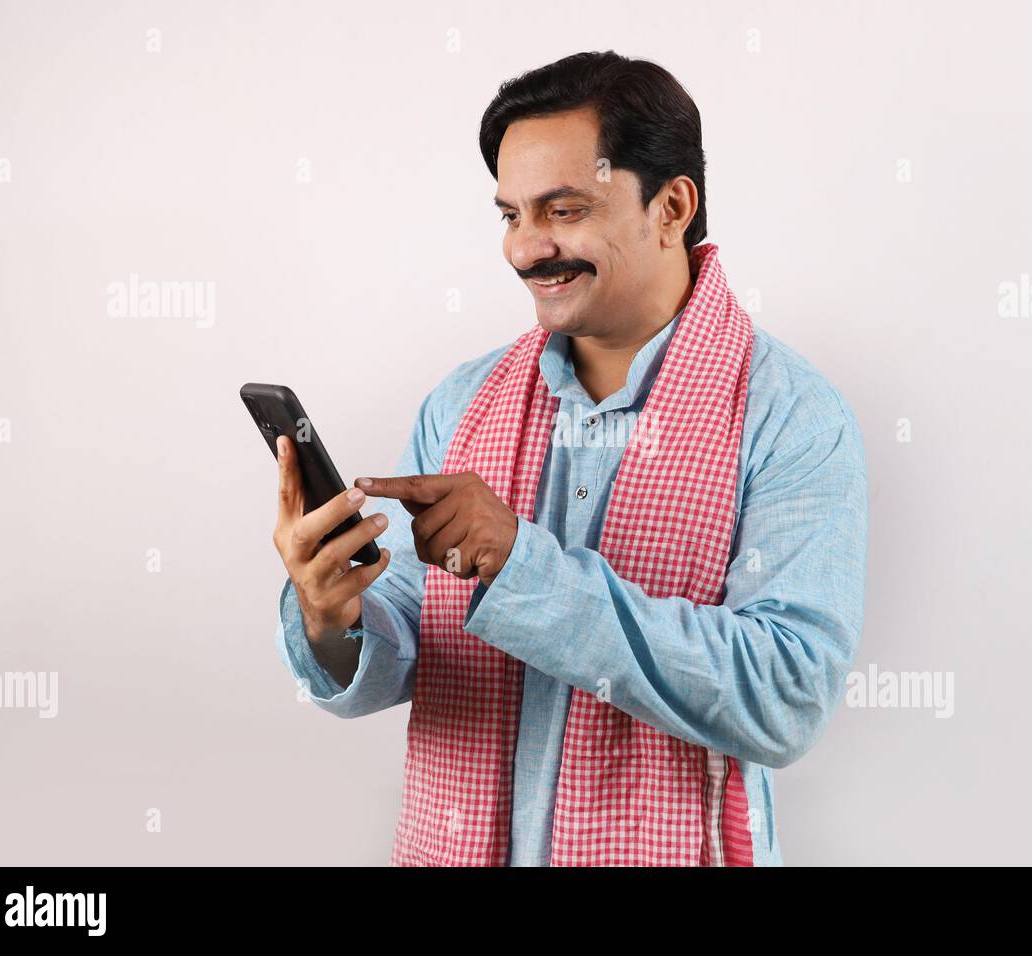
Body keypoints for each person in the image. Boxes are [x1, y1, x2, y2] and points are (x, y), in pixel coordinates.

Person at [271, 50, 868, 866]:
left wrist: (523, 566)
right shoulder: (461, 402)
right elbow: (404, 650)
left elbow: (786, 696)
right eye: (510, 215)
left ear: (671, 206)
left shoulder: (791, 415)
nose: (526, 249)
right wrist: (330, 613)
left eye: (563, 209)